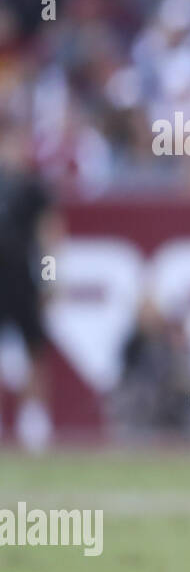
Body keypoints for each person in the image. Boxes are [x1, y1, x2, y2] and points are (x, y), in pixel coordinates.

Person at [0, 133, 59, 452]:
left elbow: (50, 233)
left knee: (34, 347)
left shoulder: (33, 188)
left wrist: (49, 278)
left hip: (22, 277)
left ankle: (34, 420)